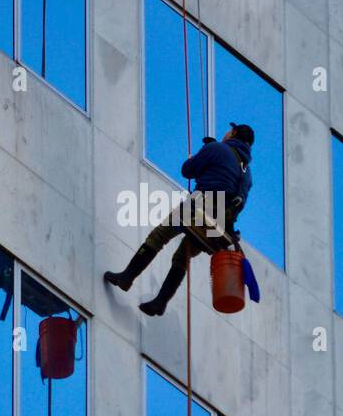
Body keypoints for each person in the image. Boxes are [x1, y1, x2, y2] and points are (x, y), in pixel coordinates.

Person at [104, 123, 254, 316]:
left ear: (233, 133)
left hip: (201, 205)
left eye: (229, 130)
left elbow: (187, 170)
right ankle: (160, 302)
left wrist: (204, 151)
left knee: (159, 236)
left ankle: (127, 276)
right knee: (182, 257)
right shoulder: (247, 172)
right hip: (220, 223)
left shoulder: (217, 149)